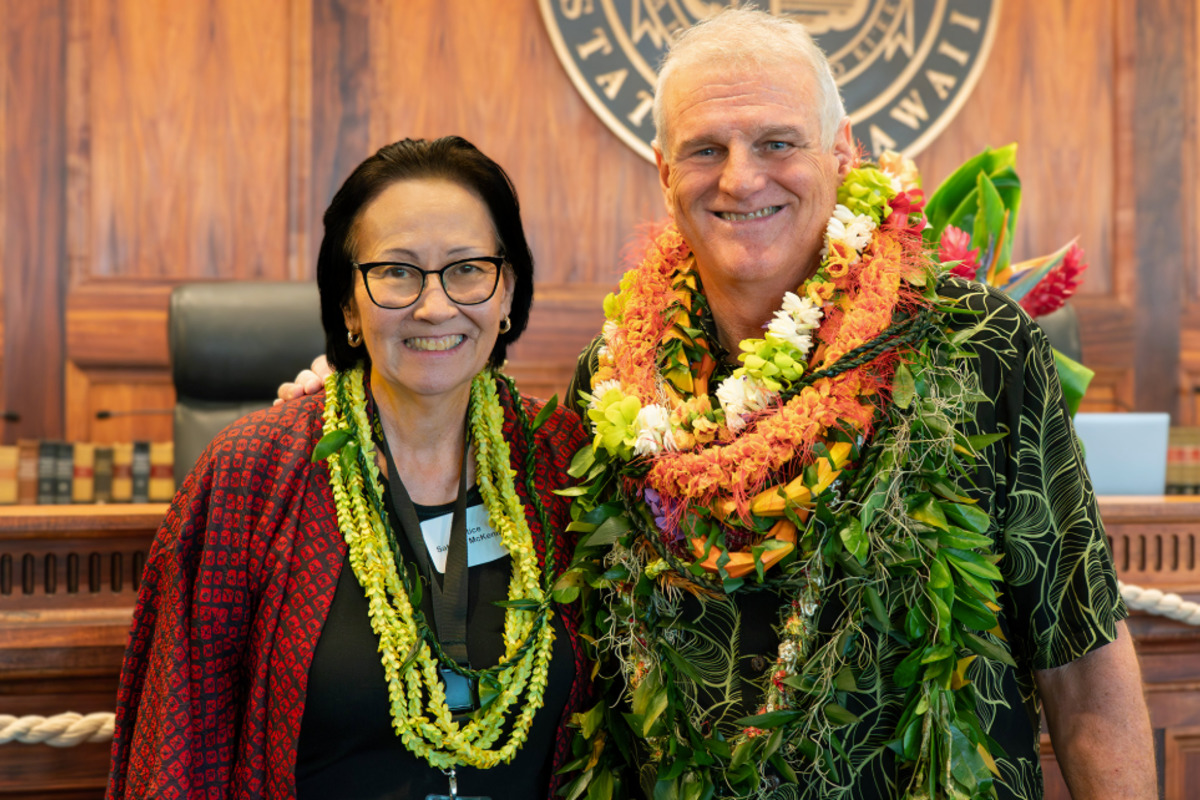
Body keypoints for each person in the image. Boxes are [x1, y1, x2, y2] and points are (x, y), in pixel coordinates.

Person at [278, 11, 1157, 800]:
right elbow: (490, 453)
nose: (741, 180)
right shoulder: (615, 385)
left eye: (778, 143)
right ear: (665, 172)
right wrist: (357, 399)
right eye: (706, 149)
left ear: (841, 153)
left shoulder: (977, 349)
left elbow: (1081, 661)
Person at [108, 136, 590, 799]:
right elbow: (177, 748)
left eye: (467, 268)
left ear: (507, 292)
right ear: (346, 305)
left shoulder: (559, 459)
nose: (434, 305)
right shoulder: (254, 474)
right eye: (396, 272)